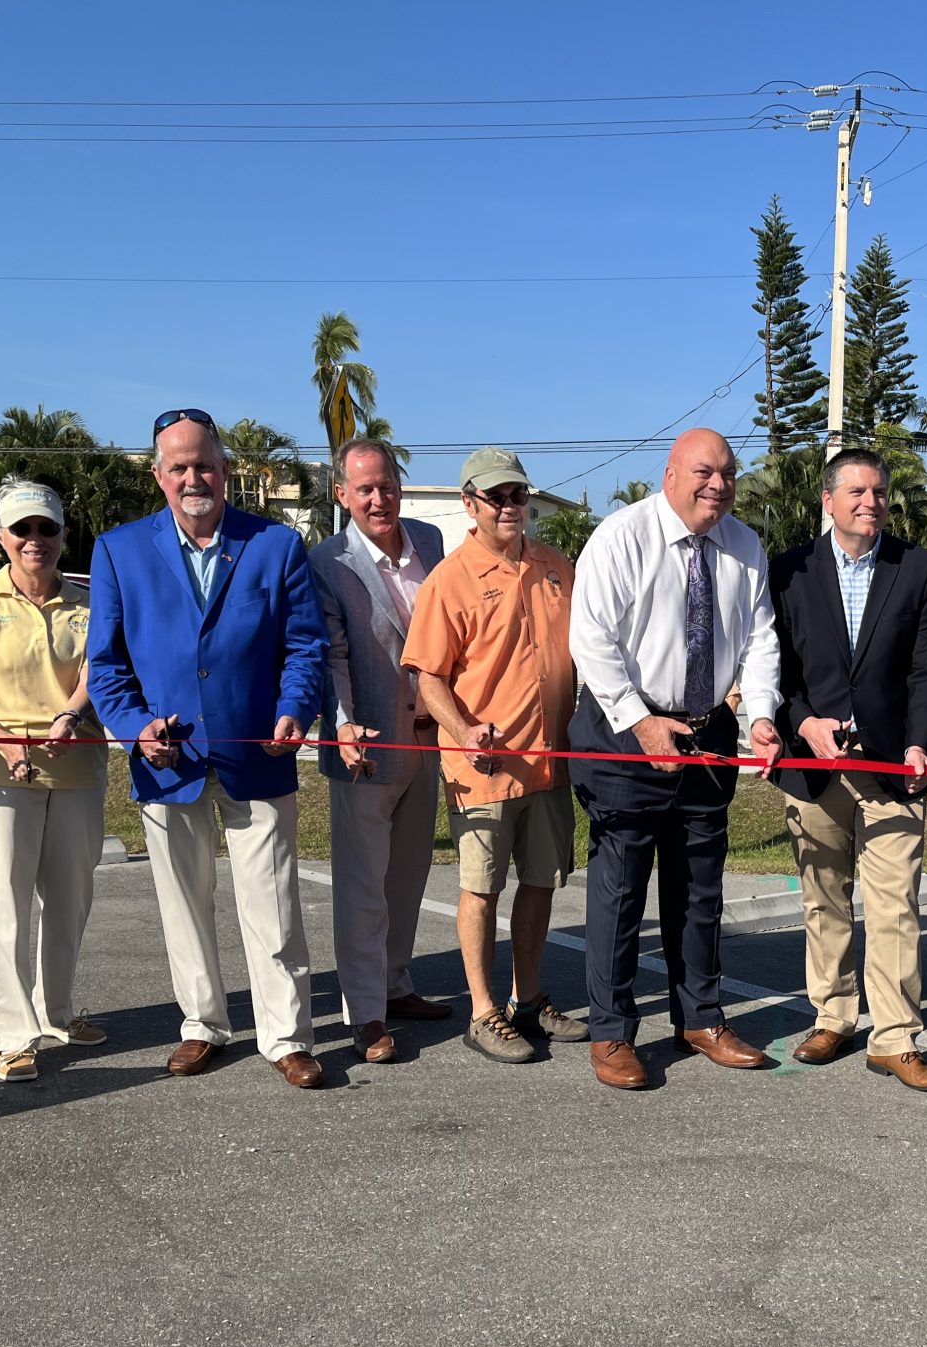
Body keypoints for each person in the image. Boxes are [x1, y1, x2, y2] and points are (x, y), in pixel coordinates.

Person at [85, 408, 329, 1089]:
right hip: (168, 763)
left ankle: (287, 1037)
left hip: (260, 755)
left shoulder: (275, 545)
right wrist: (136, 728)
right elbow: (106, 664)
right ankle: (202, 1025)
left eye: (204, 465)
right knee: (183, 903)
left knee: (273, 903)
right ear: (158, 475)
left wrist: (294, 709)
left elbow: (305, 647)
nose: (193, 478)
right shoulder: (118, 550)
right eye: (179, 467)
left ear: (225, 471)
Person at [566, 428, 785, 1090]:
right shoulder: (621, 537)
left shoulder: (745, 547)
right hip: (624, 732)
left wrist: (761, 715)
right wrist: (640, 722)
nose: (718, 484)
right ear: (670, 476)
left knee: (699, 889)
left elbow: (761, 641)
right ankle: (611, 1031)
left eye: (728, 473)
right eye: (703, 472)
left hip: (707, 734)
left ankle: (701, 1019)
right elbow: (591, 639)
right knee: (621, 888)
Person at [769, 446, 927, 1092]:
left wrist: (919, 743)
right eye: (857, 492)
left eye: (878, 492)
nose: (871, 502)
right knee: (824, 901)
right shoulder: (788, 570)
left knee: (896, 904)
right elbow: (776, 668)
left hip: (892, 768)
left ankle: (896, 1038)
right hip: (813, 766)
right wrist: (803, 723)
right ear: (829, 500)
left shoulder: (919, 568)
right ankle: (834, 1017)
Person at [402, 447, 588, 1064]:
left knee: (539, 883)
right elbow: (429, 677)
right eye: (495, 496)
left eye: (517, 495)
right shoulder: (449, 579)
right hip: (483, 767)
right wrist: (462, 730)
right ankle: (483, 1012)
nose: (509, 506)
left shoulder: (556, 565)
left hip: (549, 761)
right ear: (470, 504)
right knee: (481, 889)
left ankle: (527, 999)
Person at [0, 478, 109, 1082]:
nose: (35, 539)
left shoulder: (91, 603)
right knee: (4, 906)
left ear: (63, 534)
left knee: (70, 901)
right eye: (22, 529)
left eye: (46, 528)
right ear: (0, 537)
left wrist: (70, 715)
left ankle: (56, 1012)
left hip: (77, 767)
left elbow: (95, 673)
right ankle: (10, 1034)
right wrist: (7, 743)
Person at [309, 437, 453, 1066]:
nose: (378, 498)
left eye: (386, 485)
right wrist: (343, 726)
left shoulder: (431, 542)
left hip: (429, 740)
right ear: (342, 494)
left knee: (409, 875)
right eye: (363, 488)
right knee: (363, 886)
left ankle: (396, 984)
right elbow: (332, 656)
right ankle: (366, 1013)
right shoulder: (327, 562)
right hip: (365, 747)